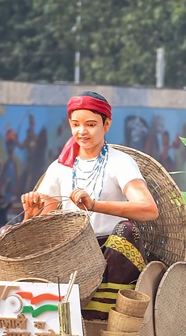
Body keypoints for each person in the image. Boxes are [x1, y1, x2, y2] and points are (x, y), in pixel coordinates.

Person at [20, 91, 160, 317]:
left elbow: (148, 209)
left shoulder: (121, 163)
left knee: (127, 230)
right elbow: (40, 226)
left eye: (91, 124)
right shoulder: (60, 167)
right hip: (71, 251)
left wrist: (94, 205)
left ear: (107, 124)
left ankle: (105, 312)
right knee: (9, 232)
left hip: (111, 251)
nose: (81, 131)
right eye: (75, 124)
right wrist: (29, 216)